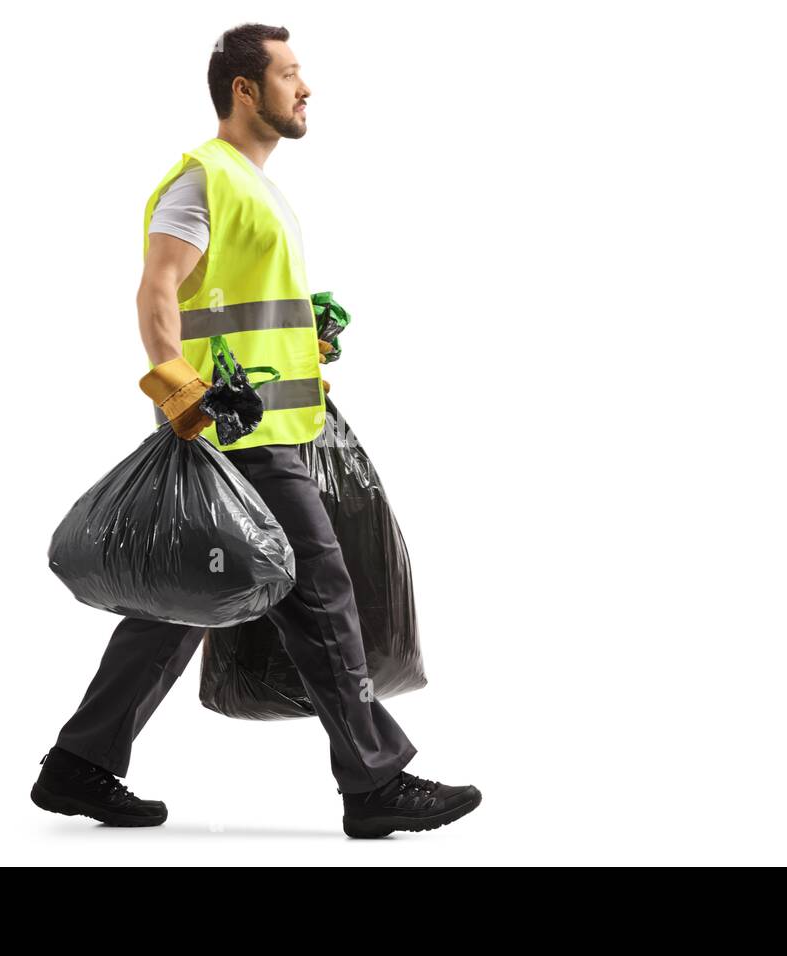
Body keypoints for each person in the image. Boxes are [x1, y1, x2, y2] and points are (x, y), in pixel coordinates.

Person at [31, 22, 481, 839]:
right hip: (241, 435)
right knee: (322, 592)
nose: (305, 89)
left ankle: (79, 765)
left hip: (272, 422)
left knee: (184, 602)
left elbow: (229, 306)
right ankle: (375, 782)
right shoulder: (203, 179)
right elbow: (157, 293)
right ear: (246, 89)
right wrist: (184, 399)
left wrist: (304, 336)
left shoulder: (256, 184)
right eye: (290, 74)